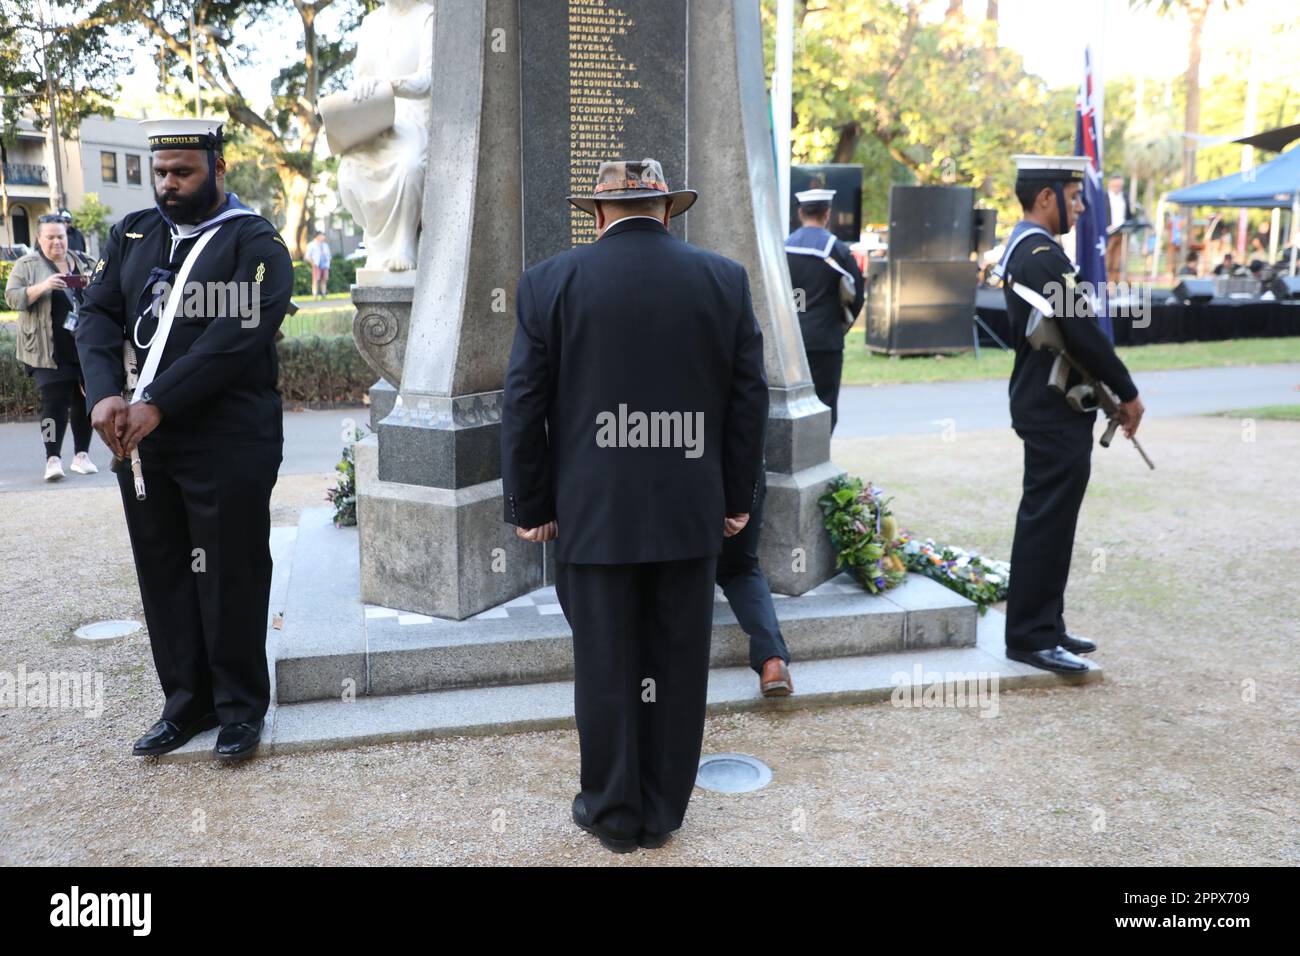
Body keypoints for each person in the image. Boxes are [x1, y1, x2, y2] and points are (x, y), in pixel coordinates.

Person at [501, 158, 768, 853]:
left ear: (595, 214)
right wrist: (736, 499)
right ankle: (663, 809)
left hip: (593, 513)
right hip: (689, 511)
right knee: (678, 666)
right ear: (668, 210)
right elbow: (747, 404)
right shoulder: (724, 280)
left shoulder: (548, 283)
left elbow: (524, 405)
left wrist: (532, 503)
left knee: (606, 665)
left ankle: (613, 811)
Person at [76, 117, 293, 761]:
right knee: (166, 569)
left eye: (183, 172)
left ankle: (239, 709)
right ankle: (186, 702)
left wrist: (160, 402)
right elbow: (99, 313)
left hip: (227, 438)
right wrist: (103, 392)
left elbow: (234, 339)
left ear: (218, 170)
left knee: (229, 571)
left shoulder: (255, 244)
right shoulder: (133, 233)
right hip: (142, 436)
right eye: (160, 173)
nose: (168, 185)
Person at [992, 154, 1145, 674]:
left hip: (1052, 403)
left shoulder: (1031, 248)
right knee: (1046, 521)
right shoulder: (1038, 253)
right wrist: (1126, 391)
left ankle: (1047, 624)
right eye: (1074, 196)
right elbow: (1080, 329)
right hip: (1051, 406)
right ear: (1044, 197)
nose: (1080, 207)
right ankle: (1030, 636)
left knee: (1054, 520)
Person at [4, 213, 97, 480]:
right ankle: (52, 458)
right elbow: (12, 298)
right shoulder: (27, 265)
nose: (57, 242)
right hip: (45, 349)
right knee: (52, 405)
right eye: (50, 237)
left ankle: (82, 456)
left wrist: (93, 282)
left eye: (61, 236)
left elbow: (105, 293)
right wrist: (43, 286)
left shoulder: (83, 261)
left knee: (85, 402)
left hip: (82, 346)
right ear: (39, 238)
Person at [784, 188, 864, 434]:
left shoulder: (784, 247)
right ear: (827, 214)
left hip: (789, 341)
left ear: (800, 213)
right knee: (824, 404)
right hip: (825, 341)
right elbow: (857, 296)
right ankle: (819, 463)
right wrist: (840, 326)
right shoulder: (838, 250)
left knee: (790, 405)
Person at [1104, 174, 1130, 284]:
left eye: (1120, 185)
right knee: (1107, 257)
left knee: (1118, 259)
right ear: (1110, 184)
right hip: (1108, 232)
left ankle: (1114, 282)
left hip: (1122, 232)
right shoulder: (1103, 197)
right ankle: (1104, 280)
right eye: (1115, 185)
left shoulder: (1124, 196)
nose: (1117, 188)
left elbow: (1128, 213)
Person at [304, 231, 332, 298]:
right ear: (317, 236)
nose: (323, 237)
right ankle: (315, 294)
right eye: (322, 235)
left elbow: (329, 255)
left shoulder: (325, 245)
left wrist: (328, 262)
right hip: (316, 265)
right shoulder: (311, 245)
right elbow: (307, 256)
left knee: (324, 279)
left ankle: (324, 294)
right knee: (315, 280)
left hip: (325, 265)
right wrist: (313, 263)